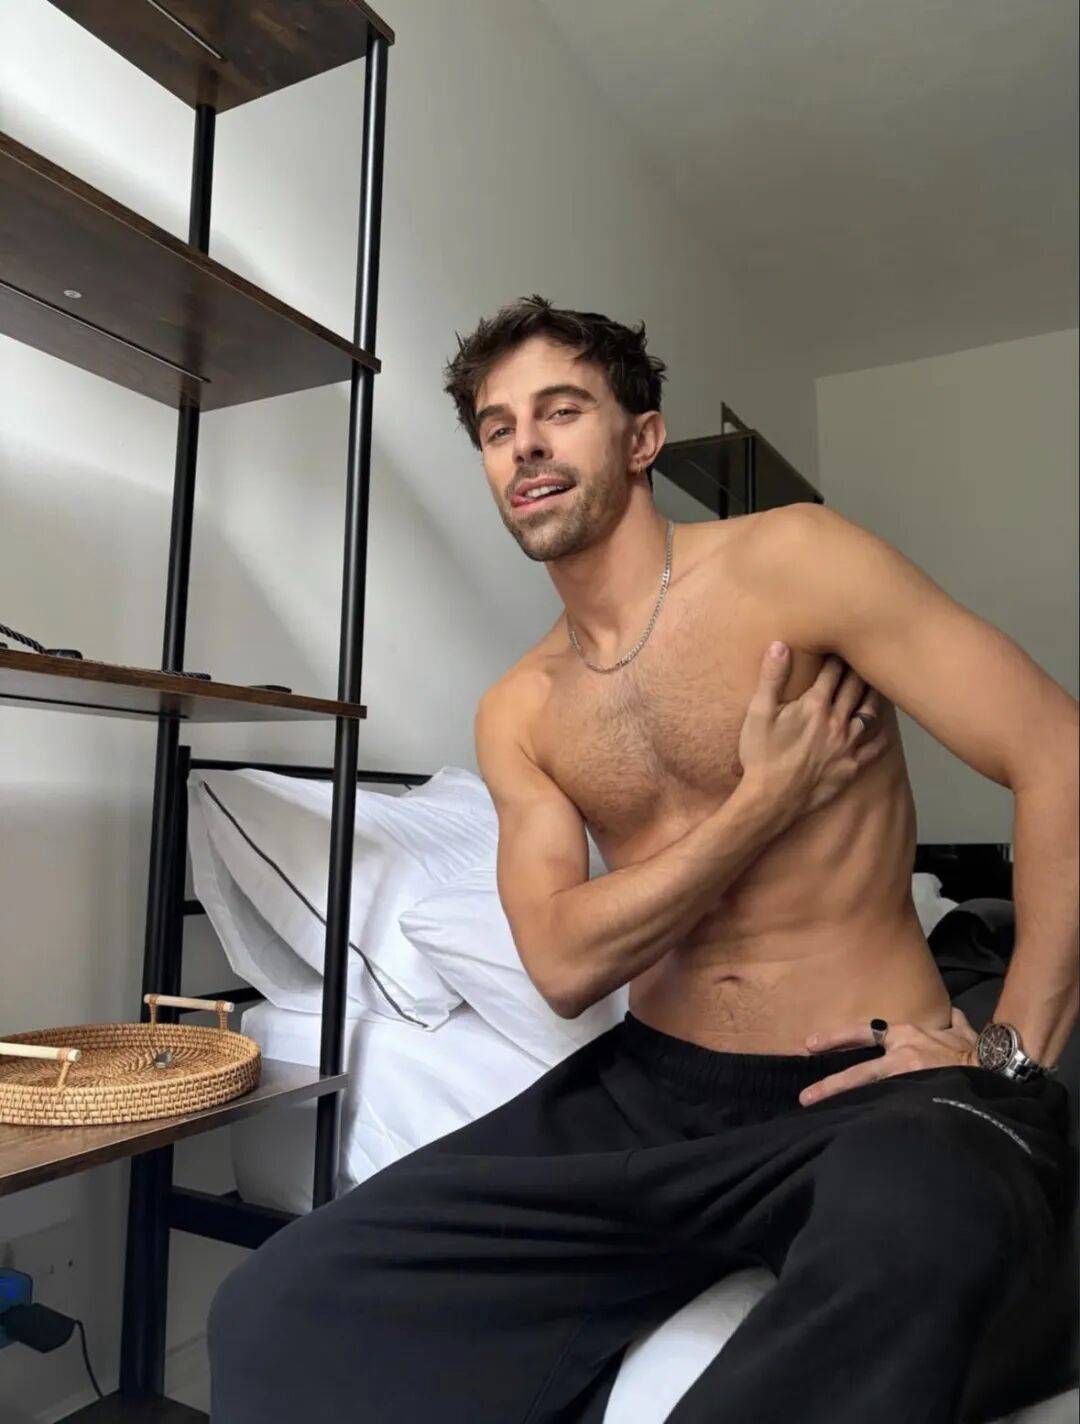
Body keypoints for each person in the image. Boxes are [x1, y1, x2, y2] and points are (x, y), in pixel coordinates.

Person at [207, 296, 1079, 1423]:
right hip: (650, 1095)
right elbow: (563, 964)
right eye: (496, 428)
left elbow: (1055, 751)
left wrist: (1008, 1059)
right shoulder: (522, 708)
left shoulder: (795, 561)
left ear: (642, 438)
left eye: (561, 411)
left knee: (931, 1217)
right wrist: (762, 805)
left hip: (864, 1085)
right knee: (277, 1307)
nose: (525, 444)